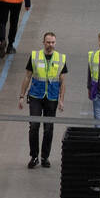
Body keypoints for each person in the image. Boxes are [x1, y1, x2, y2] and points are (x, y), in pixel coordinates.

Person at [19, 32, 66, 169]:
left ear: (55, 43)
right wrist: (21, 96)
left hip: (52, 97)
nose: (50, 45)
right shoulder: (35, 56)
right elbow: (27, 77)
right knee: (34, 126)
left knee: (48, 128)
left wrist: (61, 100)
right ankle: (34, 156)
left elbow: (63, 82)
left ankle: (45, 156)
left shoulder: (61, 58)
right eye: (48, 42)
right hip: (35, 96)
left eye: (52, 42)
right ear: (43, 42)